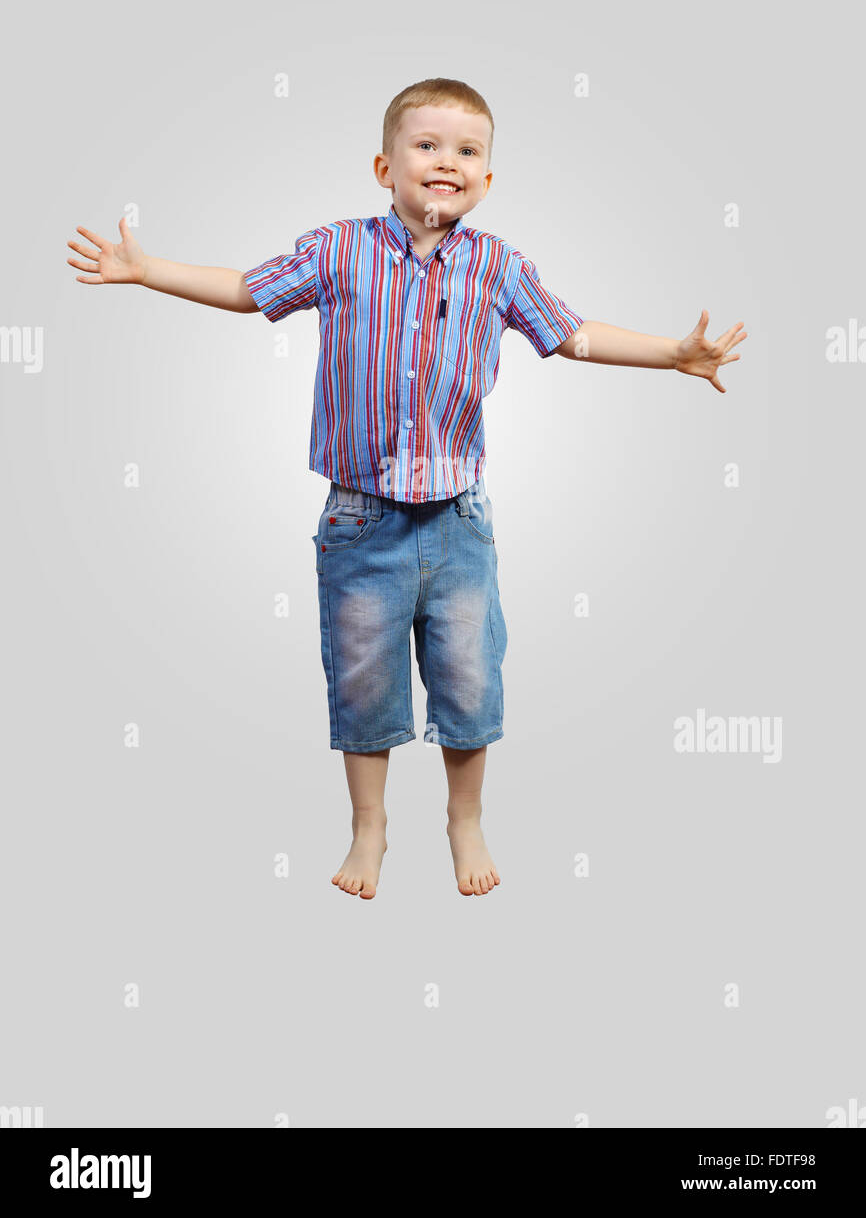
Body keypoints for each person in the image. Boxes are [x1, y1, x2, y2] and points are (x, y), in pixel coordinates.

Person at [67, 77, 746, 901]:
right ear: (385, 165)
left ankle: (465, 818)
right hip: (361, 519)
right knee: (363, 679)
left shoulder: (499, 265)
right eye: (427, 146)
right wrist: (146, 271)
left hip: (459, 522)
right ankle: (369, 824)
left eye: (467, 151)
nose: (446, 162)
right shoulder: (339, 249)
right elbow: (247, 291)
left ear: (488, 180)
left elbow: (576, 336)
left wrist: (674, 354)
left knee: (469, 677)